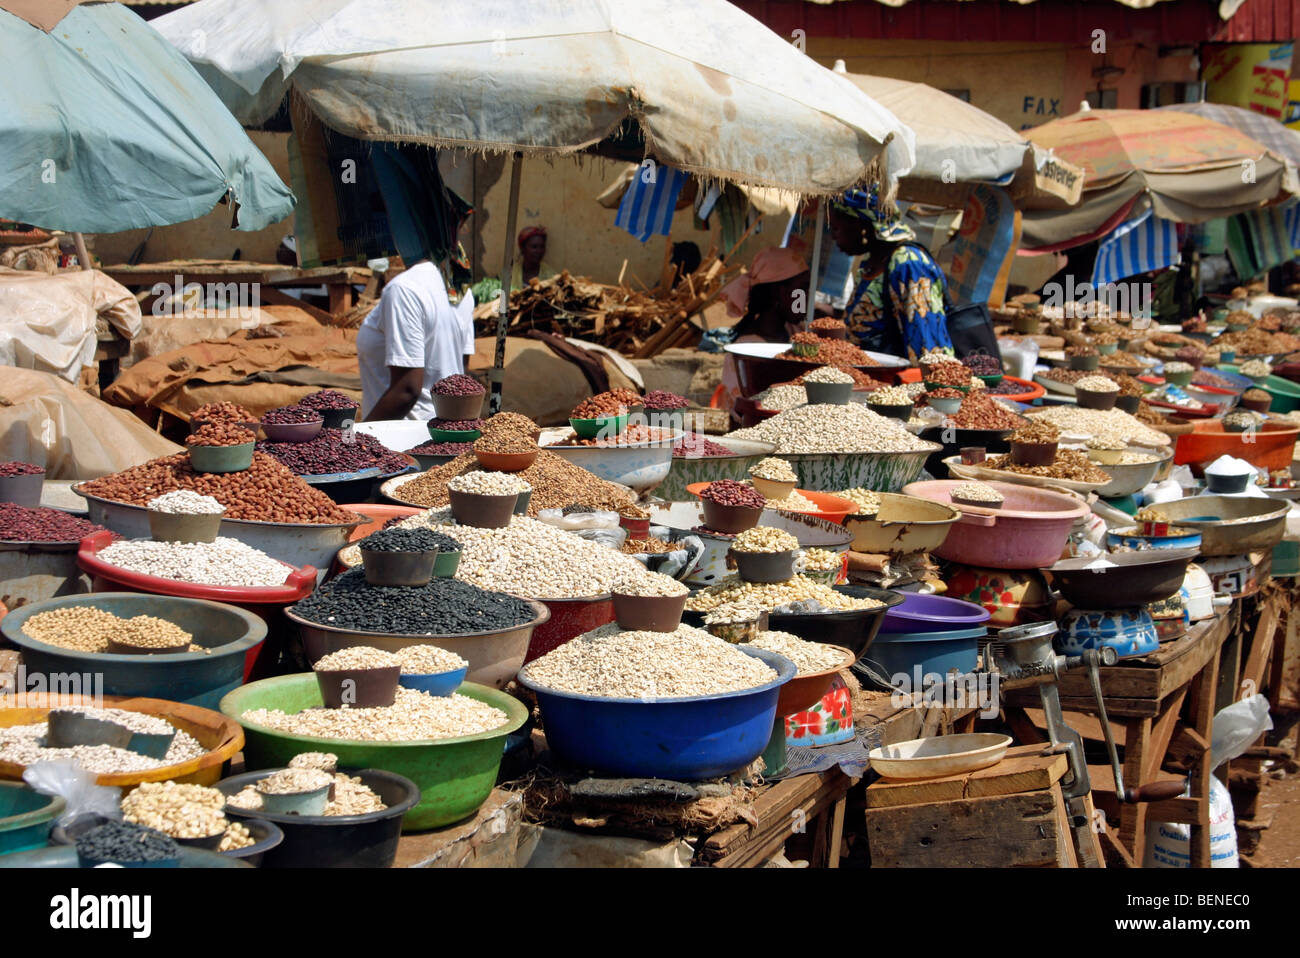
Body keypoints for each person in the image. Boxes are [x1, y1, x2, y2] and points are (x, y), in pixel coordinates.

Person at [828, 187, 953, 361]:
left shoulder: (908, 263)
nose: (833, 237)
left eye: (835, 228)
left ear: (861, 225)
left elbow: (928, 350)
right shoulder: (870, 263)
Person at [357, 258, 466, 422]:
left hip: (404, 434)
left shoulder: (403, 289)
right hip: (444, 428)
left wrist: (360, 440)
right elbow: (462, 369)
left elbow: (406, 390)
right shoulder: (458, 288)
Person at [716, 241, 811, 409]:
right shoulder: (747, 350)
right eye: (802, 289)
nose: (807, 298)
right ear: (778, 292)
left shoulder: (793, 331)